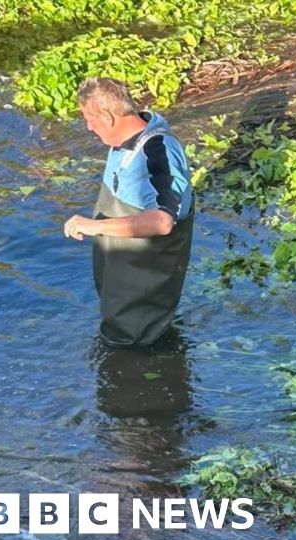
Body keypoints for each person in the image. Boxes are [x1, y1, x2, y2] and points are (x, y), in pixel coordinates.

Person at [63, 77, 194, 347]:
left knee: (130, 354)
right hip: (121, 283)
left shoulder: (158, 153)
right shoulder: (122, 142)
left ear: (109, 117)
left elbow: (162, 222)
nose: (88, 127)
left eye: (89, 118)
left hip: (142, 297)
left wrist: (94, 226)